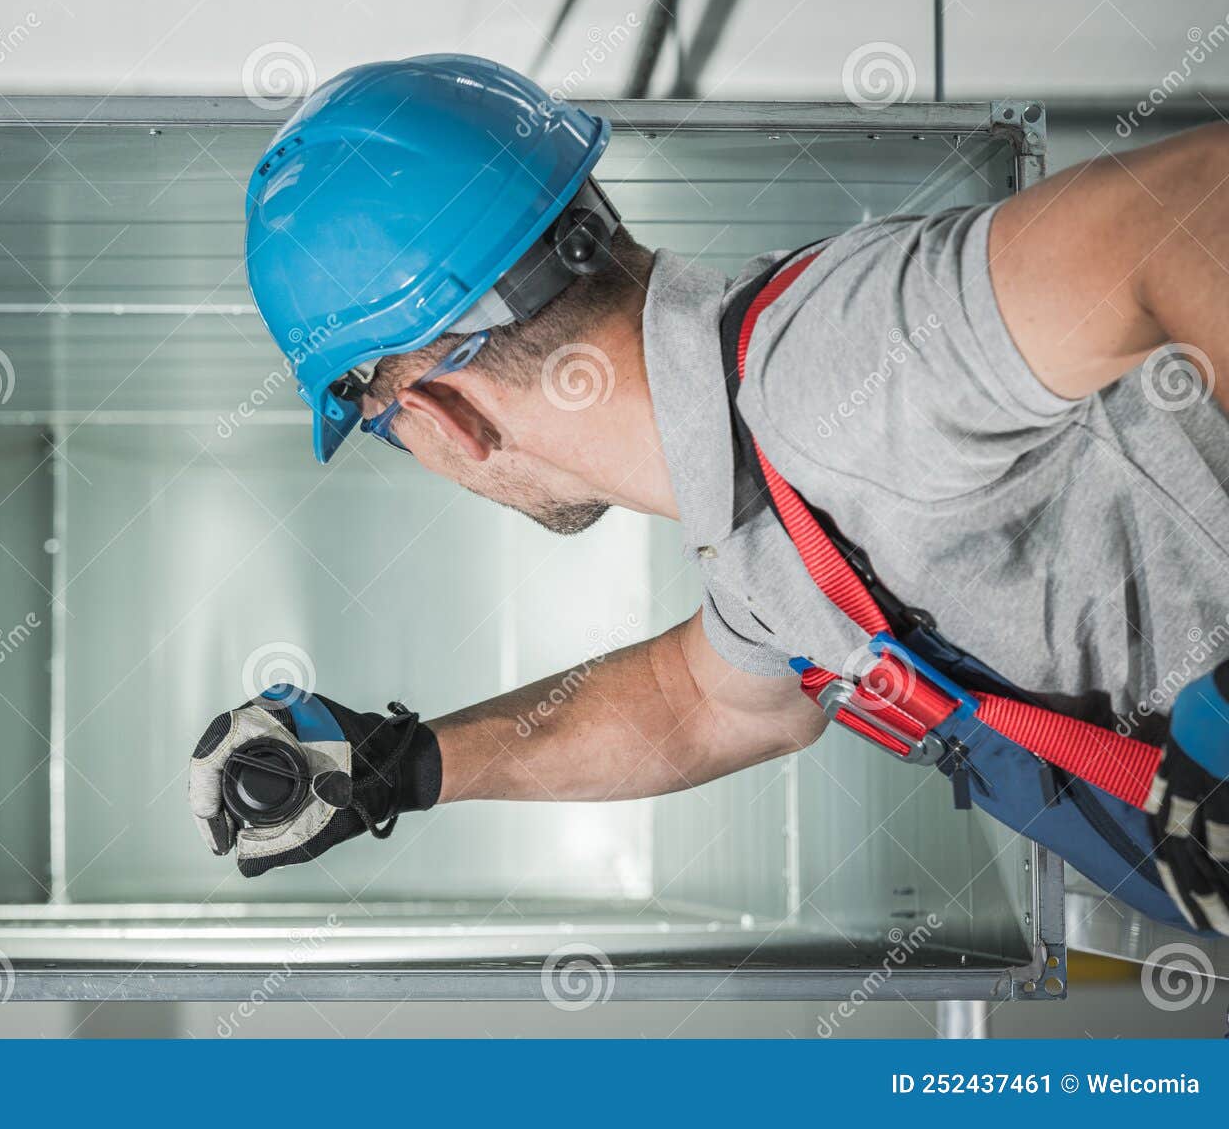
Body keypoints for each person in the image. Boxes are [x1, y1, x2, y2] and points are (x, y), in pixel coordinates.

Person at [188, 53, 1229, 934]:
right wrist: (398, 766)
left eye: (383, 428)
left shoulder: (826, 369)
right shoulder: (762, 526)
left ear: (446, 413)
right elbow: (697, 704)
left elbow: (1194, 208)